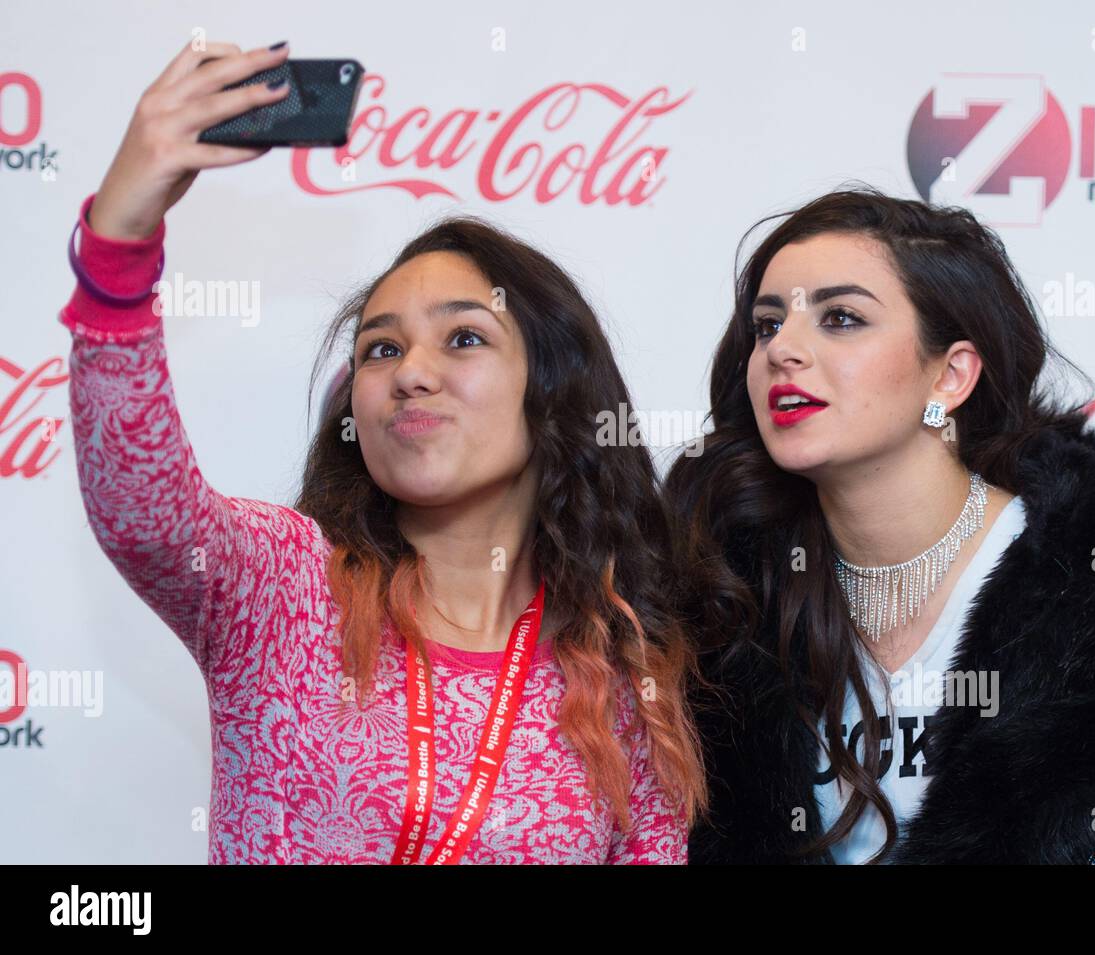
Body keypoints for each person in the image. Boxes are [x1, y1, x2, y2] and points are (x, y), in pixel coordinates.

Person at [62, 38, 704, 864]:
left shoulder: (620, 674)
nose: (411, 375)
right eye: (381, 349)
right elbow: (144, 513)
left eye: (463, 338)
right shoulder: (285, 587)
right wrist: (122, 236)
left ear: (553, 391)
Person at [666, 184, 1095, 864]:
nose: (782, 351)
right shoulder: (724, 599)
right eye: (767, 325)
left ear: (952, 376)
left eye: (841, 318)